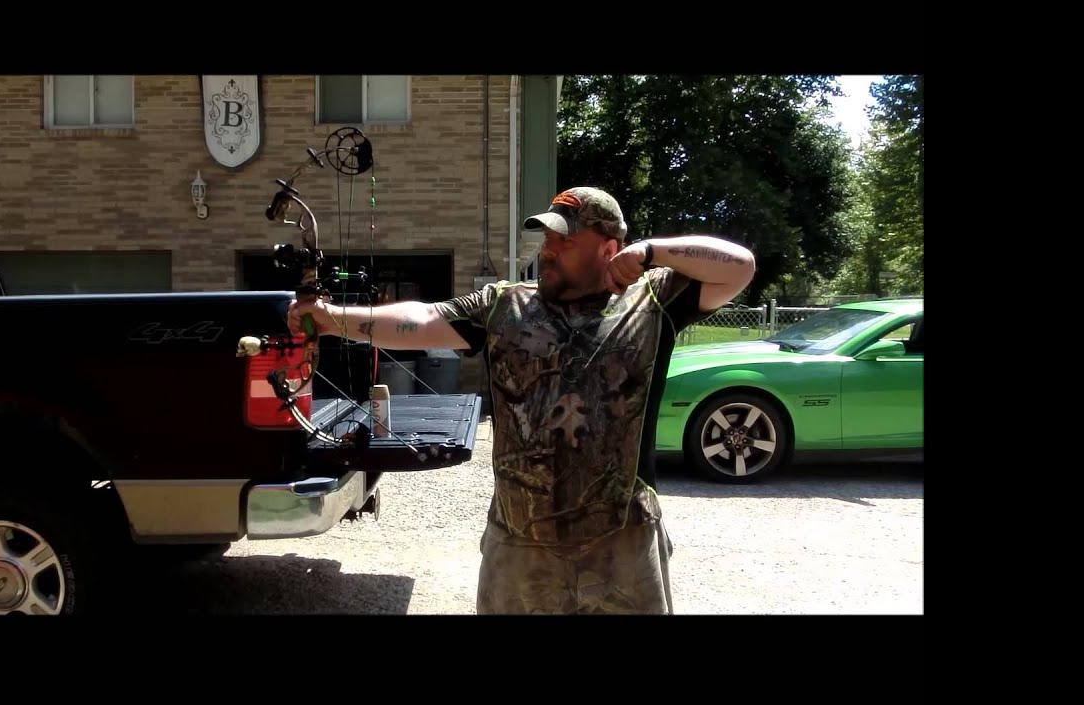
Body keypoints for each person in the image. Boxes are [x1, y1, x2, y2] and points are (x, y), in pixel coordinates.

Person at [287, 186, 755, 614]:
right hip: (520, 544)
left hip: (624, 543)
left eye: (565, 240)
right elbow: (424, 319)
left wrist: (652, 252)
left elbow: (740, 267)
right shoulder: (504, 305)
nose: (547, 249)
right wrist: (332, 318)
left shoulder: (653, 300)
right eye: (547, 237)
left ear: (608, 249)